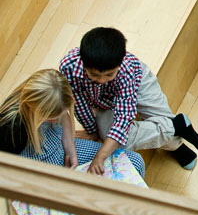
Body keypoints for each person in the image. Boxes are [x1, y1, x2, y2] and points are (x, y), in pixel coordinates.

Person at [59, 27, 198, 172]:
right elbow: (78, 103)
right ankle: (177, 127)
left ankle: (176, 142)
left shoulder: (126, 70)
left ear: (120, 63)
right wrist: (92, 131)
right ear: (83, 63)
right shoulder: (68, 67)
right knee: (113, 138)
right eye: (95, 75)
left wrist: (100, 156)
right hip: (104, 101)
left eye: (109, 75)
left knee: (158, 118)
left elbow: (124, 118)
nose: (102, 81)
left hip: (139, 82)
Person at [0, 69, 145, 177]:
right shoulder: (11, 129)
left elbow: (64, 116)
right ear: (35, 108)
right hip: (34, 166)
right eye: (51, 117)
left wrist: (70, 150)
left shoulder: (53, 92)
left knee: (135, 162)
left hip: (58, 144)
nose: (55, 120)